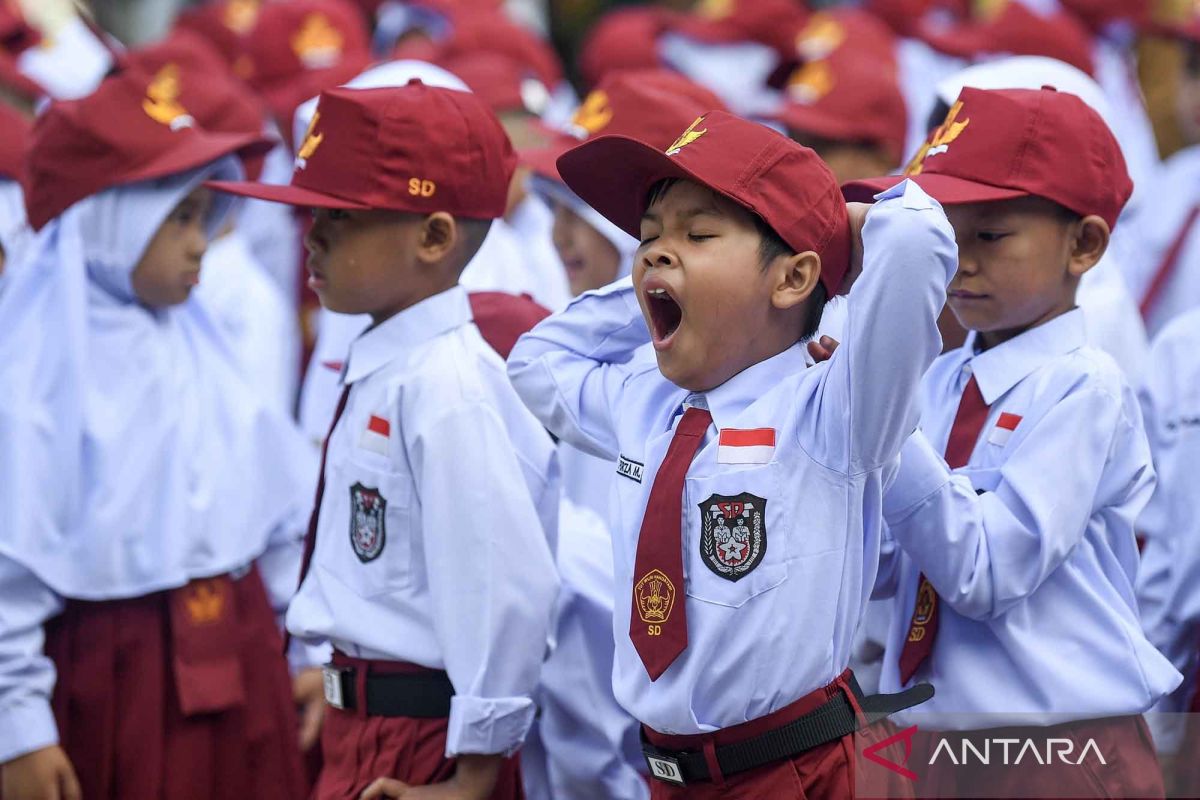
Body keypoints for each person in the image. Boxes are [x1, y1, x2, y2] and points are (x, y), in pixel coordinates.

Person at [508, 109, 957, 797]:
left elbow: (919, 241)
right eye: (649, 236)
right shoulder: (643, 400)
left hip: (794, 771)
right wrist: (656, 288)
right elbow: (536, 363)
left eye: (700, 232)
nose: (656, 250)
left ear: (791, 280)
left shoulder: (835, 409)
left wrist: (842, 232)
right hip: (665, 775)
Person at [209, 81, 559, 800]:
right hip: (362, 720)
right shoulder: (384, 361)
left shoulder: (450, 387)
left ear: (433, 236)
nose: (314, 236)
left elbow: (503, 588)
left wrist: (473, 778)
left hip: (425, 740)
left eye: (340, 216)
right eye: (310, 213)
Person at [842, 85, 1181, 796]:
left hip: (1059, 749)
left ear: (1084, 244)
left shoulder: (1085, 387)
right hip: (934, 741)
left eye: (988, 236)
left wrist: (886, 421)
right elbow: (876, 568)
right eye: (941, 232)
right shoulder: (937, 381)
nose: (957, 261)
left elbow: (985, 573)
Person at [0, 69, 314, 800]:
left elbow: (275, 511)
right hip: (111, 669)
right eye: (178, 217)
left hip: (240, 656)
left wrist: (304, 646)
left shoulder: (205, 347)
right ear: (107, 220)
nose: (201, 242)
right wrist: (18, 727)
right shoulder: (35, 376)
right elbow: (8, 563)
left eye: (205, 215)